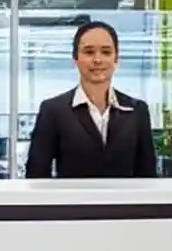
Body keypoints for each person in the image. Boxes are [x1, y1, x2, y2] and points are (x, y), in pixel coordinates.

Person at [25, 20, 158, 178]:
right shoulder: (54, 111)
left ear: (116, 59)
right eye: (88, 52)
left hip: (124, 202)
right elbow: (36, 174)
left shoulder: (137, 111)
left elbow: (147, 175)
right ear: (75, 59)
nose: (97, 60)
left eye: (106, 52)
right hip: (72, 202)